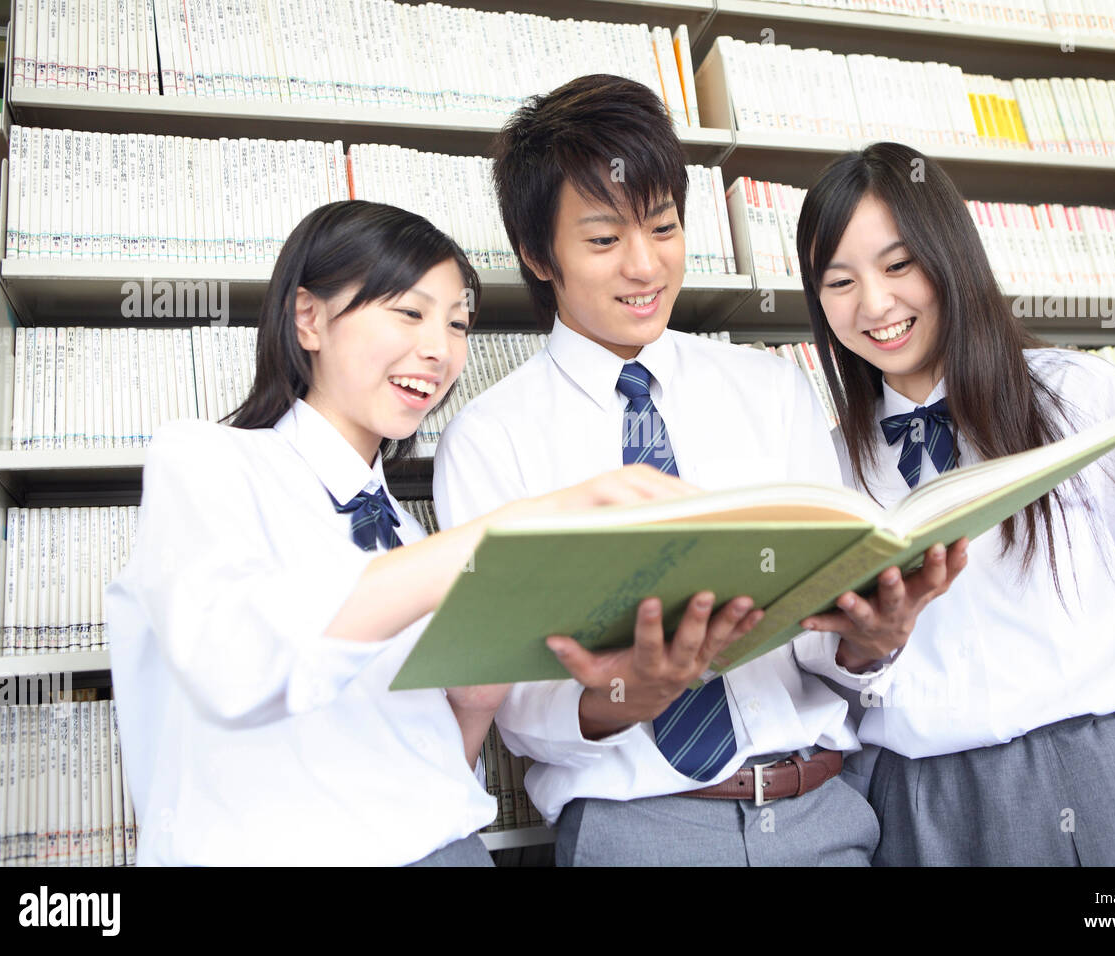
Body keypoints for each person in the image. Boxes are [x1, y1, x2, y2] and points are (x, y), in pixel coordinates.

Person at [106, 199, 756, 866]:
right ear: (309, 318)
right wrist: (519, 525)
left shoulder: (410, 538)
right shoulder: (206, 461)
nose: (439, 350)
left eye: (457, 324)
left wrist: (476, 706)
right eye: (410, 313)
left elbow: (427, 773)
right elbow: (237, 665)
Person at [433, 75, 967, 866]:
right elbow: (511, 703)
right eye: (605, 240)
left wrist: (869, 643)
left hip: (821, 812)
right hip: (641, 830)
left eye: (663, 227)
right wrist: (630, 696)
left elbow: (821, 629)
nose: (645, 267)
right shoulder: (489, 440)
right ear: (539, 256)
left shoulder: (773, 389)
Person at [795, 141, 1115, 866]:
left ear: (950, 256)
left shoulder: (1076, 395)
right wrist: (865, 648)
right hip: (917, 807)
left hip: (1098, 775)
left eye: (898, 266)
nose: (875, 304)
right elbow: (821, 672)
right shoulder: (826, 464)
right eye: (839, 281)